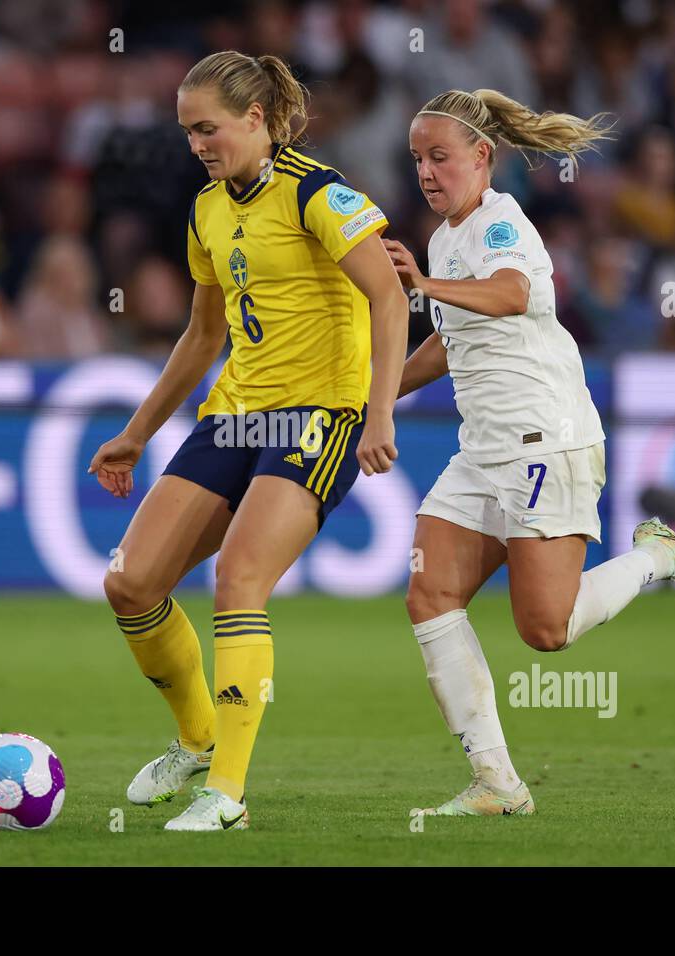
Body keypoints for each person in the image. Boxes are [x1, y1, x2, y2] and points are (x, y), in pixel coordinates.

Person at [385, 88, 675, 817]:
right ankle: (497, 782)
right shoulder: (444, 240)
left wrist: (423, 285)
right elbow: (447, 344)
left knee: (546, 630)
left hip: (545, 439)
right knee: (430, 594)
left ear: (483, 158)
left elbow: (511, 294)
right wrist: (373, 390)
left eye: (440, 156)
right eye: (417, 157)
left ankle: (660, 557)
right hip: (481, 449)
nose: (426, 171)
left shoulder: (502, 222)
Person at [88, 50, 407, 831]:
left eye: (209, 128)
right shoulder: (206, 209)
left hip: (318, 417)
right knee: (130, 583)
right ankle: (196, 739)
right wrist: (135, 434)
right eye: (187, 130)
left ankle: (226, 792)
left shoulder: (318, 193)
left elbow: (390, 298)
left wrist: (380, 412)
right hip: (234, 416)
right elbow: (202, 337)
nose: (197, 142)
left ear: (257, 119)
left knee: (239, 579)